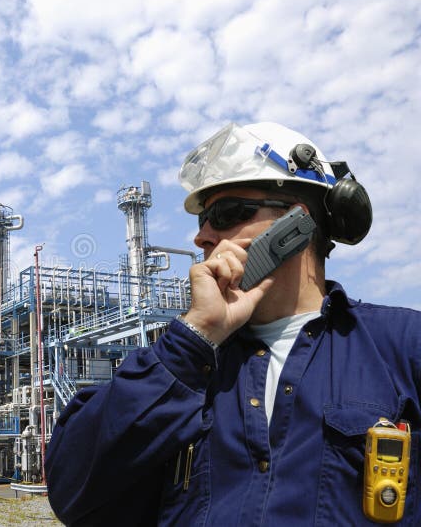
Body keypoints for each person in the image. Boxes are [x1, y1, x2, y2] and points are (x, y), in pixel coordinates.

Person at [45, 122, 421, 525]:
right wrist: (194, 339)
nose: (202, 236)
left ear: (295, 224)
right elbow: (71, 493)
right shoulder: (182, 369)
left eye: (226, 213)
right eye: (202, 220)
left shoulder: (402, 347)